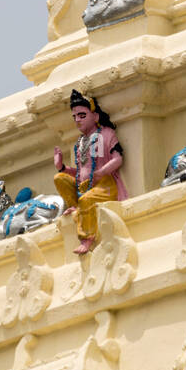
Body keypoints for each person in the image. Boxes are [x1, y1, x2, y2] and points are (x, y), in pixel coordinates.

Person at [54, 90, 128, 255]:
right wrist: (62, 168)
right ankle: (76, 206)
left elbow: (118, 159)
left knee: (87, 199)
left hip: (105, 184)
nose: (77, 121)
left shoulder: (106, 134)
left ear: (95, 116)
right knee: (59, 178)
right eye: (75, 117)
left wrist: (102, 172)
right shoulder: (80, 142)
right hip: (84, 187)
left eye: (82, 115)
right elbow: (80, 173)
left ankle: (87, 238)